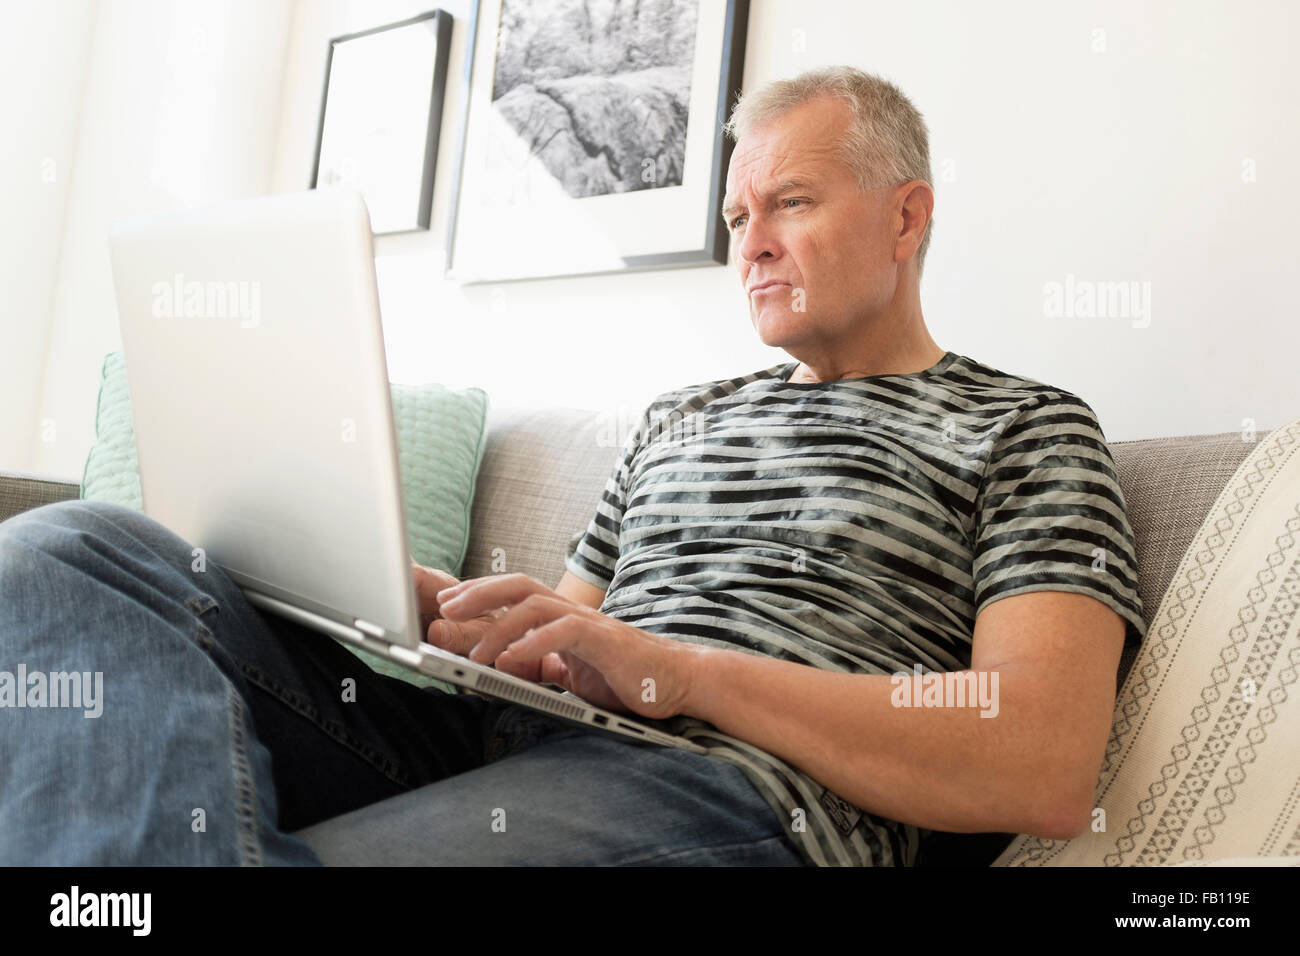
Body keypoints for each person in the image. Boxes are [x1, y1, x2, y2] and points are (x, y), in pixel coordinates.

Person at [0, 66, 1145, 866]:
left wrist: (682, 672)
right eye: (738, 211)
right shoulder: (677, 417)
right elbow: (563, 639)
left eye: (789, 202)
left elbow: (1032, 755)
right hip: (509, 746)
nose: (747, 243)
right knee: (67, 550)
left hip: (732, 790)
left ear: (907, 218)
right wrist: (433, 609)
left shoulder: (1023, 427)